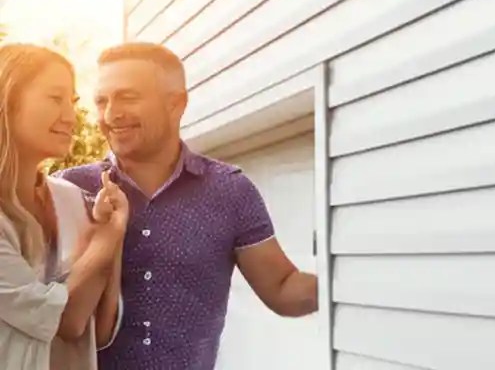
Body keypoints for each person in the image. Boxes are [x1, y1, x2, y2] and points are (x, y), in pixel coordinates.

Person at [59, 42, 317, 369]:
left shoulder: (230, 191)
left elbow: (282, 287)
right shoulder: (68, 190)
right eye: (102, 101)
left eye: (128, 97)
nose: (111, 114)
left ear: (176, 103)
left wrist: (352, 283)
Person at [0, 43, 127, 369]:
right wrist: (105, 239)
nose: (71, 117)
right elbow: (55, 316)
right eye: (55, 98)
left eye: (72, 102)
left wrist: (109, 231)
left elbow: (86, 328)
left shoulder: (71, 199)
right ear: (8, 101)